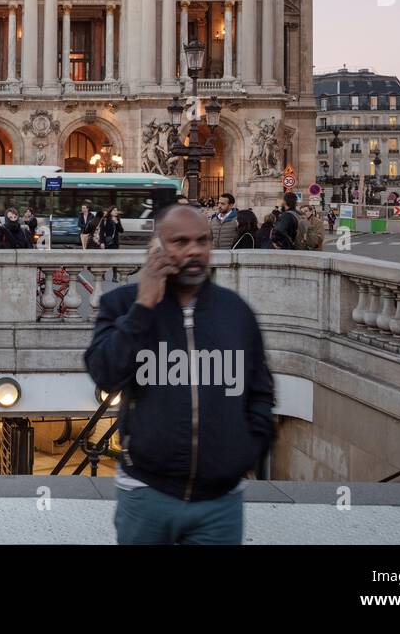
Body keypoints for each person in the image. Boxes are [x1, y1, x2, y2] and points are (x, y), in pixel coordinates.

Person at [84, 204, 275, 545]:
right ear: (156, 247)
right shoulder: (122, 305)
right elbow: (105, 373)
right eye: (180, 241)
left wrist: (244, 452)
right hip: (146, 494)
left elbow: (260, 392)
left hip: (220, 502)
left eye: (202, 241)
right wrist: (143, 306)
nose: (194, 251)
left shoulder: (235, 311)